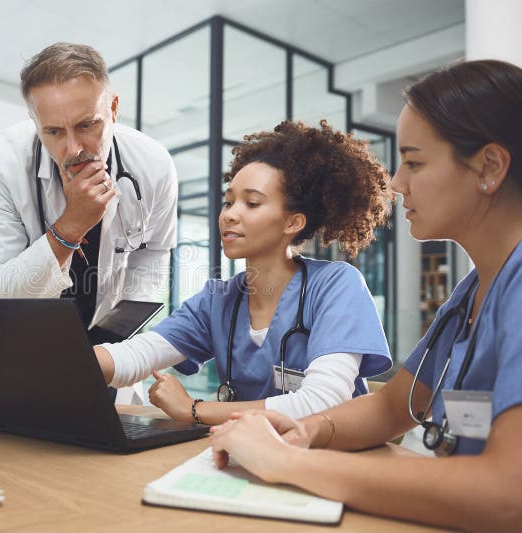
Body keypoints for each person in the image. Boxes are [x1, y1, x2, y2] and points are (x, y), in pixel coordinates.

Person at [209, 59, 522, 531]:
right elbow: (391, 407)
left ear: (490, 166)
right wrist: (307, 430)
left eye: (414, 162)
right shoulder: (472, 294)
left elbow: (507, 495)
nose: (396, 184)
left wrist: (285, 463)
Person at [94, 120, 394, 425]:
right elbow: (135, 356)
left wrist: (194, 409)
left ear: (293, 223)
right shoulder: (218, 300)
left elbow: (322, 403)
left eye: (251, 203)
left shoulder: (335, 285)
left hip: (327, 459)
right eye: (228, 202)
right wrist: (60, 363)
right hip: (251, 453)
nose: (230, 215)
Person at [0, 43, 178, 402]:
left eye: (87, 125)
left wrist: (115, 342)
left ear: (112, 107)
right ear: (35, 123)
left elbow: (153, 254)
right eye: (54, 132)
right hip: (16, 352)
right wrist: (70, 227)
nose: (75, 147)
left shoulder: (153, 165)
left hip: (105, 357)